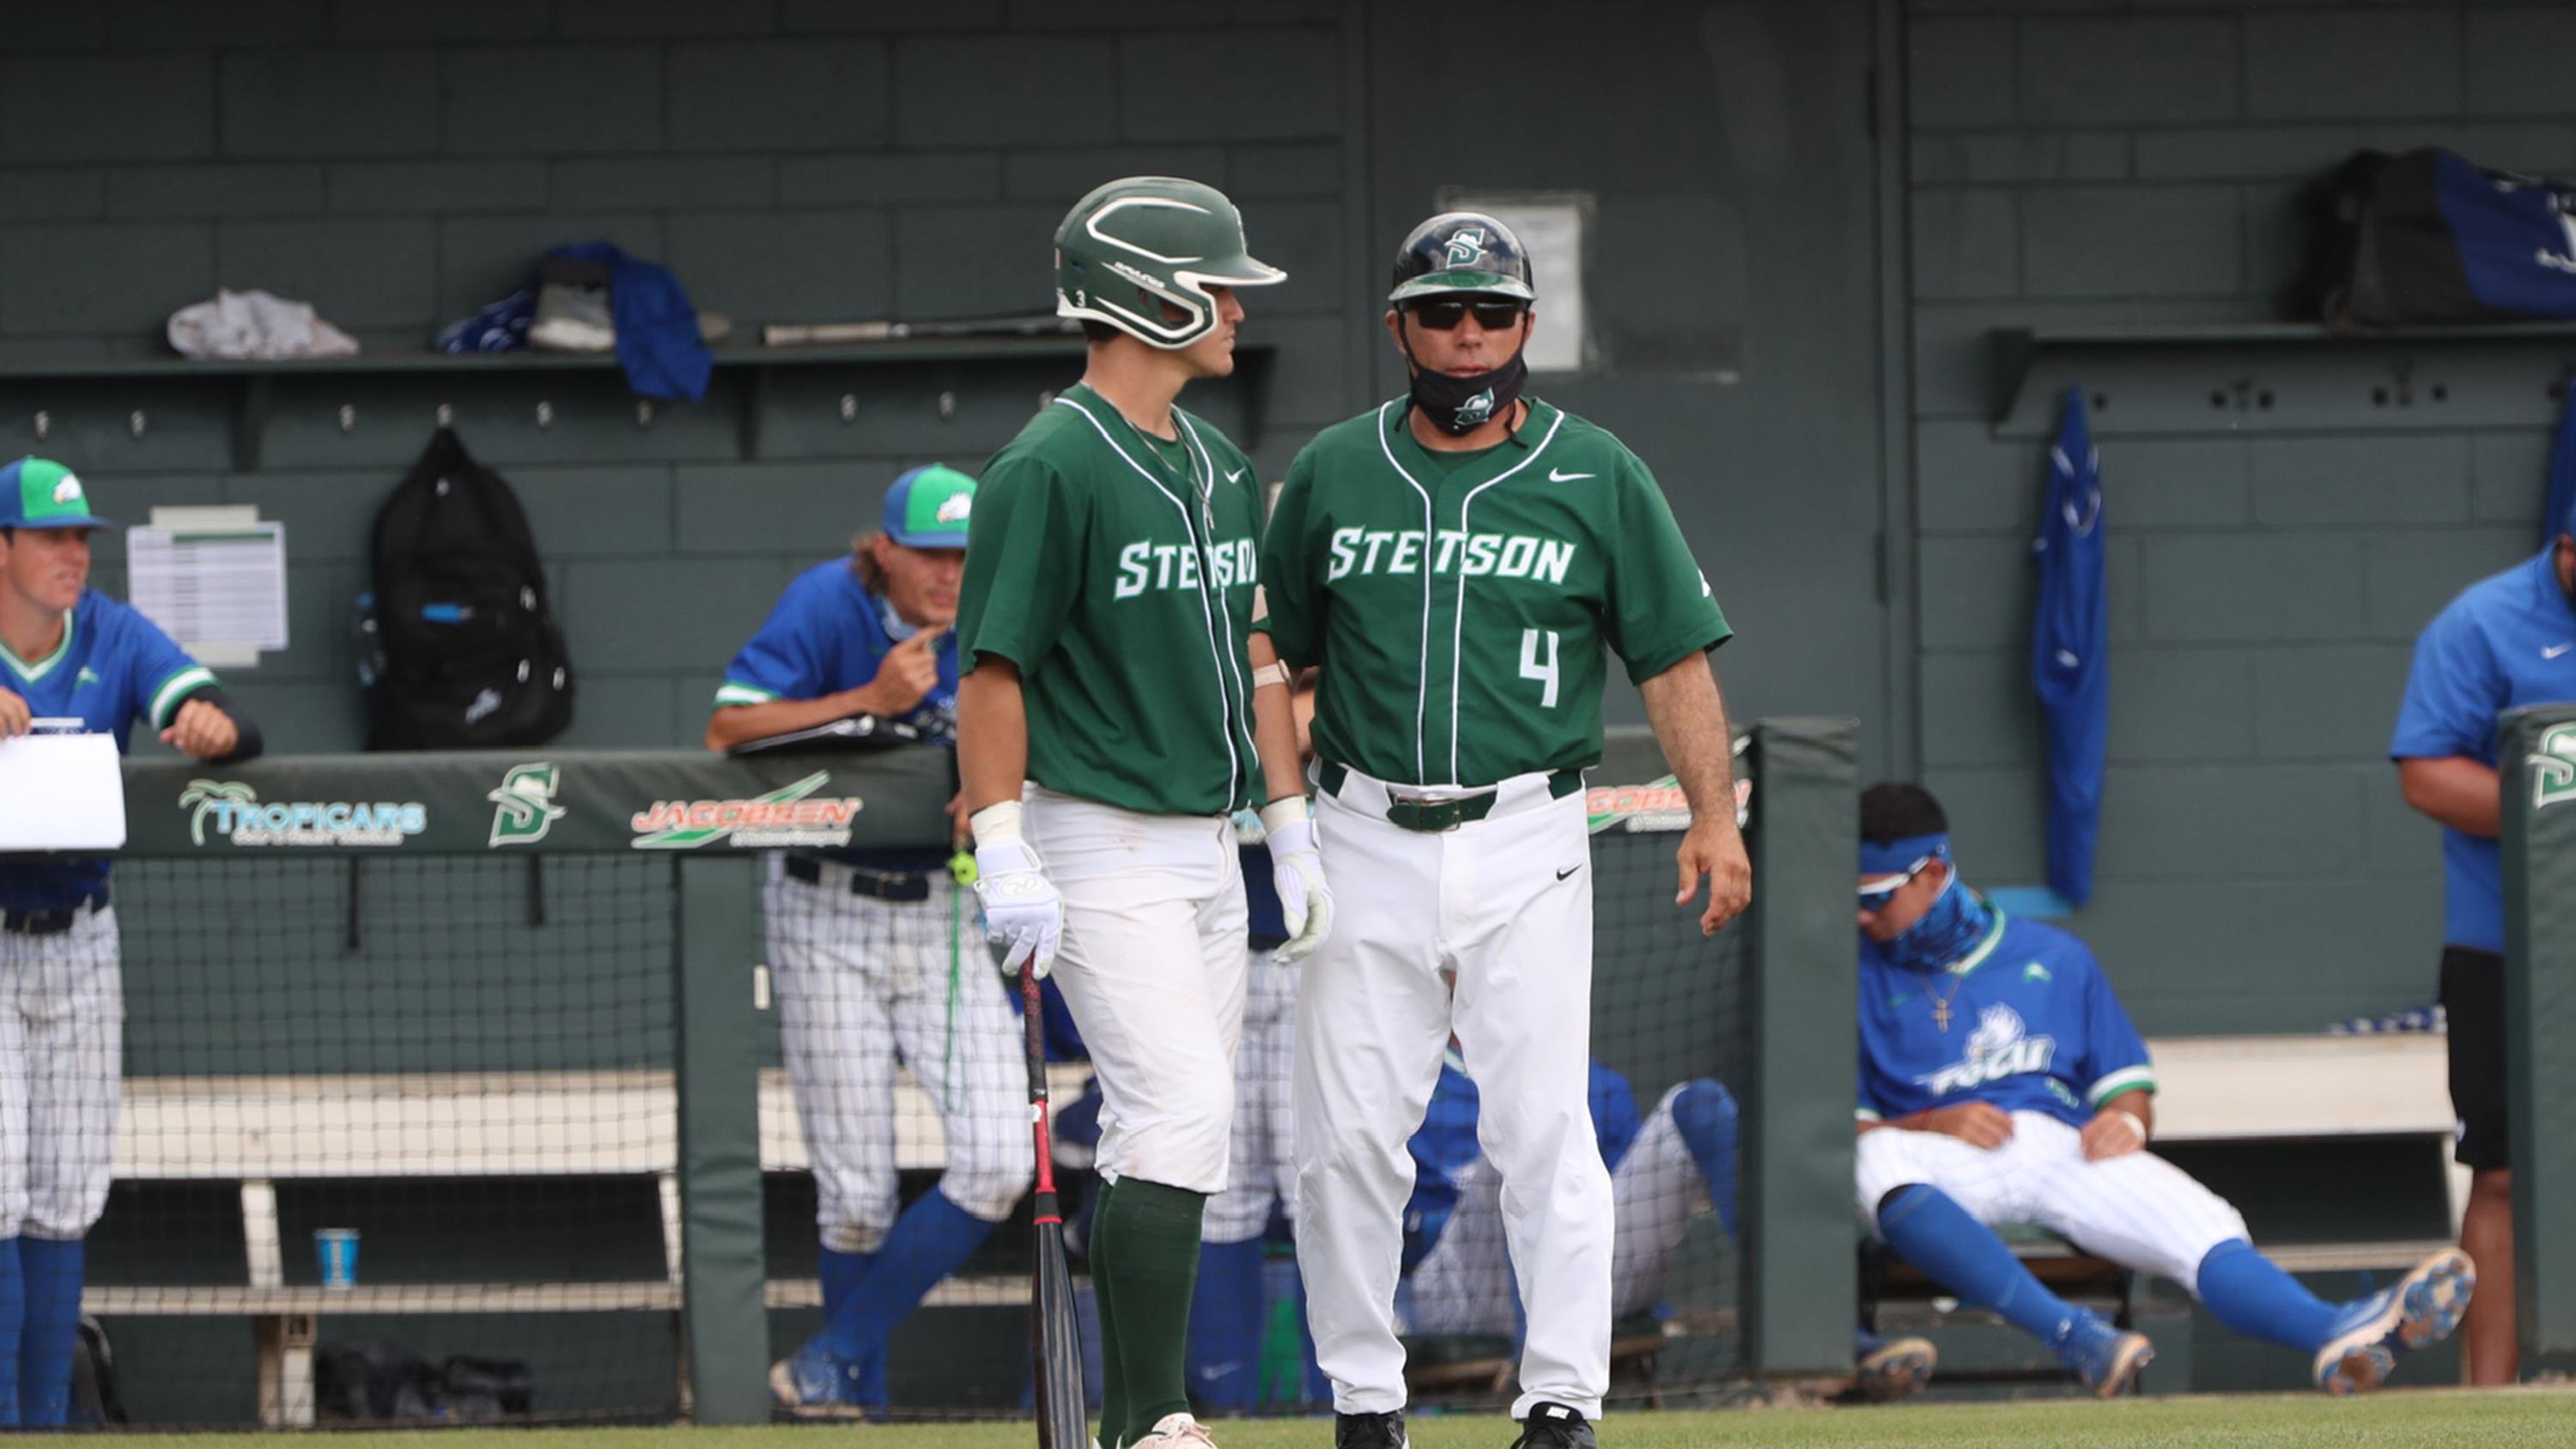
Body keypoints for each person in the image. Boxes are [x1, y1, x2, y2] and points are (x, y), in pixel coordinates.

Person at [1260, 210, 1749, 1449]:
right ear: (1399, 327)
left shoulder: (1600, 469)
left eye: (1492, 312)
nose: (1467, 336)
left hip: (1529, 832)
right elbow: (1272, 654)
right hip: (1362, 828)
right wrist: (1278, 815)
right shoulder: (1331, 468)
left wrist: (1714, 812)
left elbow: (1673, 655)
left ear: (1527, 324)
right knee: (1348, 1144)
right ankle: (1368, 1402)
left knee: (1543, 1130)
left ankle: (1562, 1401)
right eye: (1442, 312)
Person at [955, 176, 1327, 1449]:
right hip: (1093, 832)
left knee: (1178, 1124)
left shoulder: (1221, 461)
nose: (1234, 307)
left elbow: (1262, 653)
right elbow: (993, 667)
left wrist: (1290, 820)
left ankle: (1129, 1424)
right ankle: (1158, 1416)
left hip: (1213, 844)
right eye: (1218, 285)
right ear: (1148, 296)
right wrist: (1000, 845)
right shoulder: (1047, 464)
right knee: (1176, 1106)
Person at [1852, 782, 2476, 1397]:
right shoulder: (1849, 971)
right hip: (1937, 1162)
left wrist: (2127, 1123)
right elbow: (1840, 1128)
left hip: (2058, 1145)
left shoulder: (2052, 954)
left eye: (1877, 897)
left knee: (2203, 1219)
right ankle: (2076, 1336)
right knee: (1870, 1161)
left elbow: (2127, 1092)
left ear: (1933, 872)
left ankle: (2334, 1330)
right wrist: (1932, 1121)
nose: (1862, 915)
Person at [704, 464, 1033, 1417]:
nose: (948, 573)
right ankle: (857, 1411)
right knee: (854, 1192)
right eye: (929, 552)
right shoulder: (825, 601)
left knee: (1001, 1160)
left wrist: (1002, 779)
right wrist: (870, 703)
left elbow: (1049, 725)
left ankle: (834, 1356)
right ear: (882, 549)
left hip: (942, 905)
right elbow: (729, 726)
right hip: (825, 904)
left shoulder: (1007, 606)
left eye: (964, 554)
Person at [0, 458, 261, 1425]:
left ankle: (45, 1428)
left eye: (82, 538)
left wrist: (212, 726)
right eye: (53, 537)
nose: (74, 554)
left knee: (65, 1193)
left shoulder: (110, 628)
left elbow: (235, 720)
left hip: (78, 937)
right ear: (2, 547)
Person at [1399, 1050, 1936, 1406]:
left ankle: (1817, 1346)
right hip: (1454, 1294)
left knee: (1697, 1106)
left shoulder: (1594, 1082)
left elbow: (1613, 1200)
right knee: (1526, 1104)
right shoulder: (1410, 1073)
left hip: (1574, 1279)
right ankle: (1532, 1364)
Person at [2390, 500, 2576, 1385]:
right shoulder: (2480, 622)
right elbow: (2427, 774)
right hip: (2512, 949)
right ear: (2567, 548)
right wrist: (2561, 814)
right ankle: (2490, 1398)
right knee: (2501, 1172)